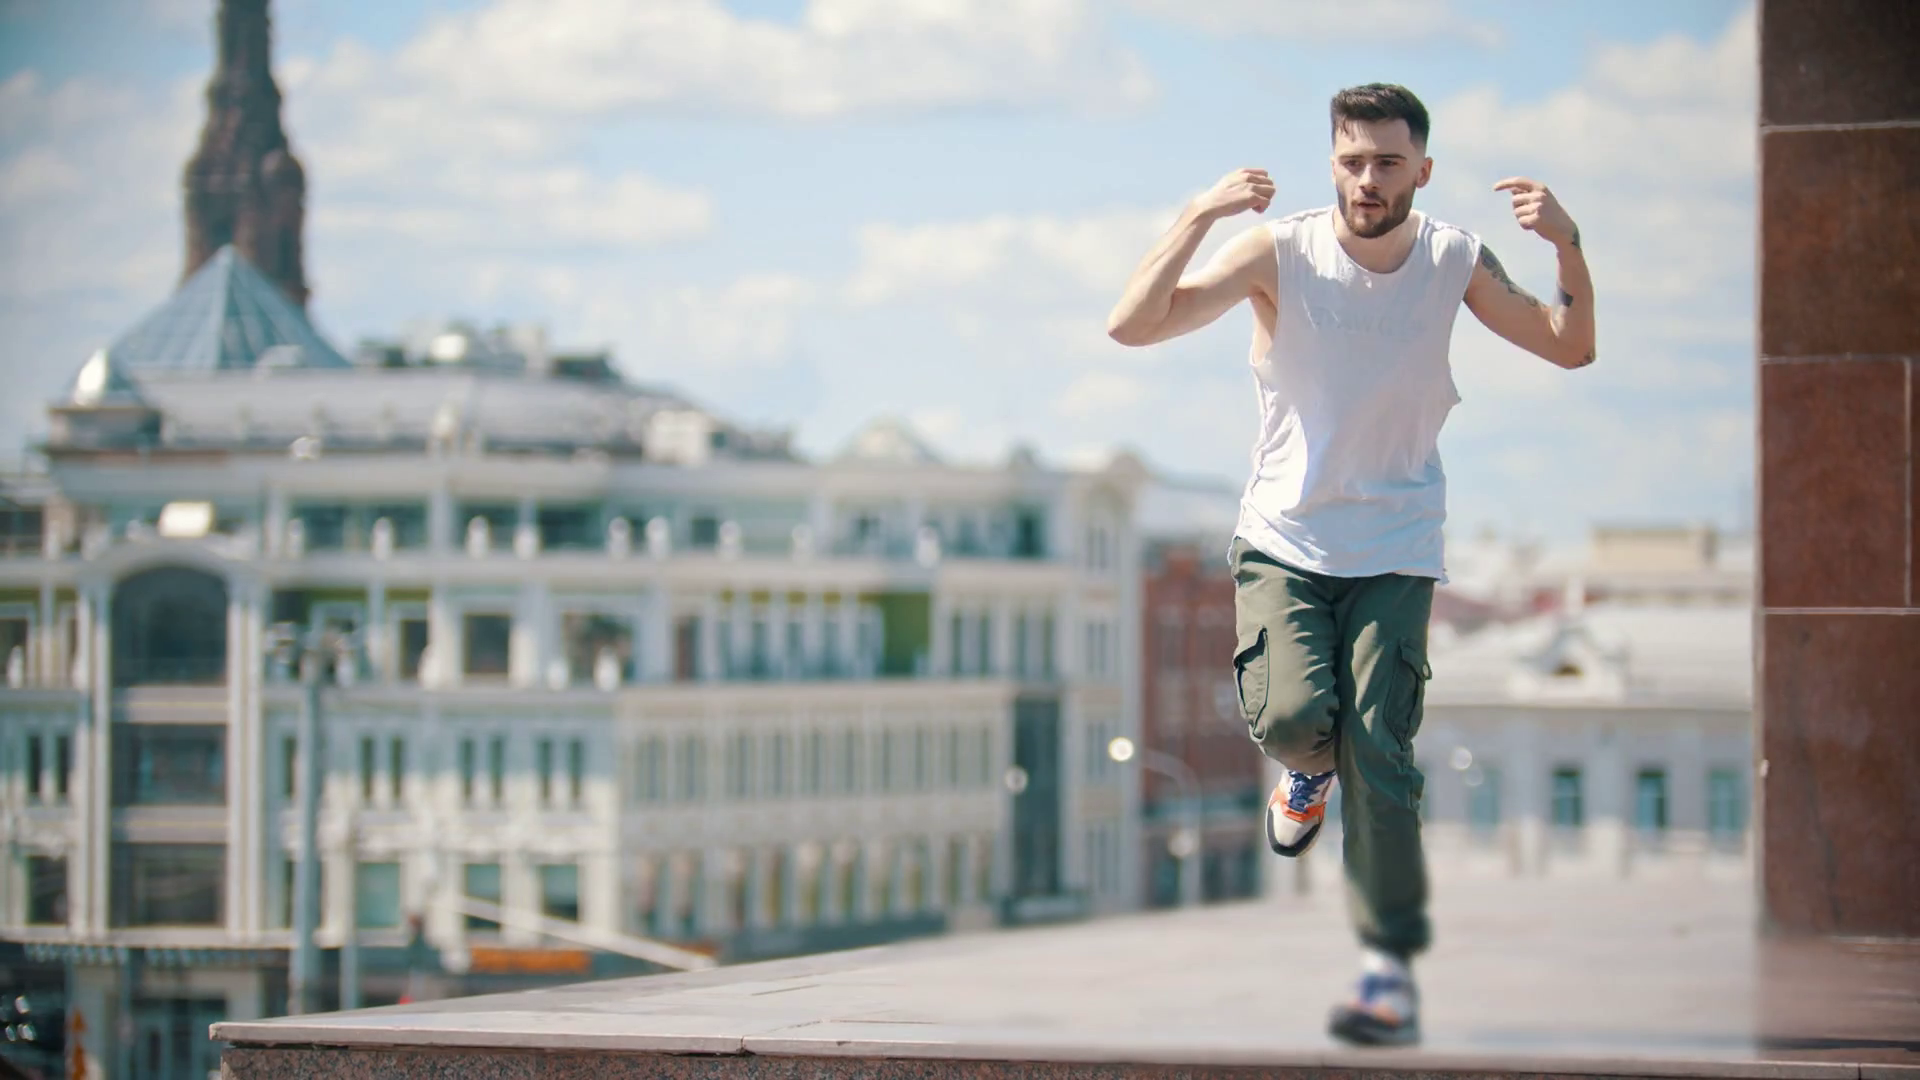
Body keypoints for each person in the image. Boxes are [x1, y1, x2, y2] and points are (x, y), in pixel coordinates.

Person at [1104, 83, 1595, 1047]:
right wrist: (1199, 213)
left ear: (1421, 170)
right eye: (1351, 161)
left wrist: (1566, 245)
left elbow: (1569, 347)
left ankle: (1386, 971)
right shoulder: (1278, 252)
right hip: (1286, 538)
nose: (1366, 180)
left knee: (1384, 751)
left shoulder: (1454, 260)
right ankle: (1302, 768)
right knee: (1296, 718)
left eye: (1385, 162)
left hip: (1398, 547)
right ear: (1333, 163)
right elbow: (1133, 324)